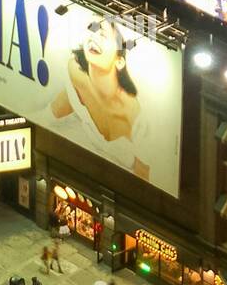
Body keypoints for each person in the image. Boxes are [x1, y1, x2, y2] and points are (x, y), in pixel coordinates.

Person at [47, 19, 153, 181]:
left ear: (120, 61)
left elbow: (145, 180)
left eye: (103, 35)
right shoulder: (75, 72)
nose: (93, 37)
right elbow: (54, 111)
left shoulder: (137, 120)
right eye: (93, 30)